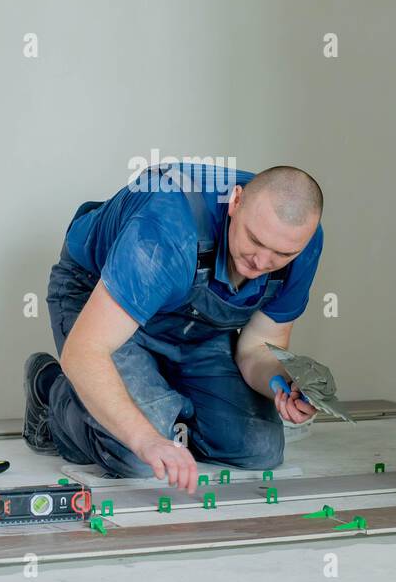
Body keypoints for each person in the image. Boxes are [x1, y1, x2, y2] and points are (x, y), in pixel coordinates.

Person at [23, 161, 323, 494]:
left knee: (259, 450)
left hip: (195, 322)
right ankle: (50, 390)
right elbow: (86, 350)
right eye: (254, 240)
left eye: (281, 253)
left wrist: (283, 384)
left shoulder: (302, 243)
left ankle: (158, 402)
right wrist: (148, 439)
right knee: (136, 458)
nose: (261, 263)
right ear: (235, 202)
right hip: (98, 296)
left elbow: (257, 347)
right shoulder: (165, 230)